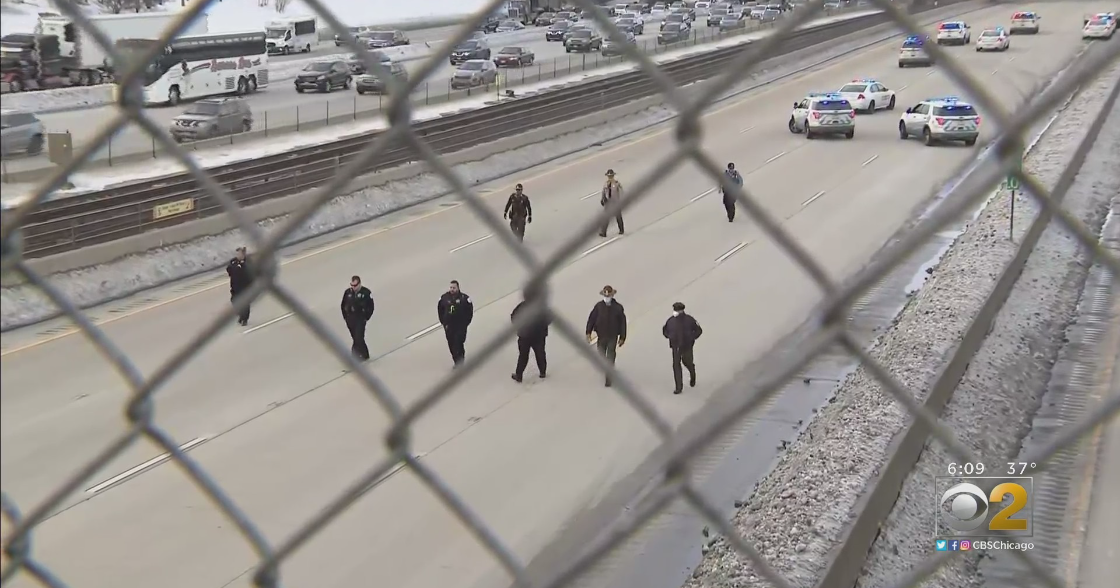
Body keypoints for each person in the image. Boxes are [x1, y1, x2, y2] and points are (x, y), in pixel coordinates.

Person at [585, 285, 627, 387]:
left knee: (611, 354)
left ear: (612, 295)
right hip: (601, 335)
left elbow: (622, 323)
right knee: (601, 354)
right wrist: (588, 332)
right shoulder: (598, 307)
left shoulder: (618, 308)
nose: (607, 297)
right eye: (605, 295)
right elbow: (592, 319)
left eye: (609, 295)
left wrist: (622, 337)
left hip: (612, 335)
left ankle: (609, 376)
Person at [662, 302, 703, 394]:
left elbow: (698, 330)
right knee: (676, 365)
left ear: (682, 310)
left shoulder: (689, 320)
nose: (676, 312)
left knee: (687, 362)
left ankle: (692, 372)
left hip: (687, 346)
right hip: (675, 346)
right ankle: (678, 387)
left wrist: (691, 337)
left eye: (677, 310)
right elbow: (665, 330)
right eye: (675, 310)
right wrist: (669, 336)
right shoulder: (671, 320)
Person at [510, 296, 551, 382]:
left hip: (525, 335)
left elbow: (513, 317)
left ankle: (519, 375)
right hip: (539, 335)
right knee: (540, 353)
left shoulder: (522, 306)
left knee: (523, 356)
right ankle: (542, 372)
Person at [438, 280, 474, 367]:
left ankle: (460, 362)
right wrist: (443, 322)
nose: (452, 289)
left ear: (458, 288)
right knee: (451, 344)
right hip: (449, 326)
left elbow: (470, 312)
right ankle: (456, 360)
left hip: (460, 326)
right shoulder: (444, 298)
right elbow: (440, 310)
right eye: (451, 287)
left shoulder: (464, 298)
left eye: (454, 288)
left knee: (458, 343)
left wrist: (465, 323)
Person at [341, 275, 376, 361]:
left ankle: (354, 356)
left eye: (355, 285)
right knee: (355, 337)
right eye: (352, 285)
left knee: (358, 337)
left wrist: (366, 317)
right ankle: (365, 354)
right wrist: (345, 317)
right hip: (350, 318)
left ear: (359, 284)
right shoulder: (348, 293)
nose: (353, 287)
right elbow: (343, 305)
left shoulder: (366, 293)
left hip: (360, 318)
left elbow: (371, 307)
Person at [226, 246, 254, 326]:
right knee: (234, 301)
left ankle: (244, 319)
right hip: (235, 286)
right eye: (237, 254)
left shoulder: (247, 262)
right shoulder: (233, 262)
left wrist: (242, 265)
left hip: (245, 286)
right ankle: (241, 315)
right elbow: (229, 269)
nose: (238, 255)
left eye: (239, 254)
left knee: (245, 304)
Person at [599, 169, 625, 238]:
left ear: (613, 176)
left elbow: (621, 192)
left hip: (615, 202)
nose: (610, 177)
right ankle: (603, 232)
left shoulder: (616, 183)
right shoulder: (606, 184)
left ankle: (621, 229)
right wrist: (602, 199)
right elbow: (604, 192)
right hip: (608, 202)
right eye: (608, 176)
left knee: (618, 217)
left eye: (611, 176)